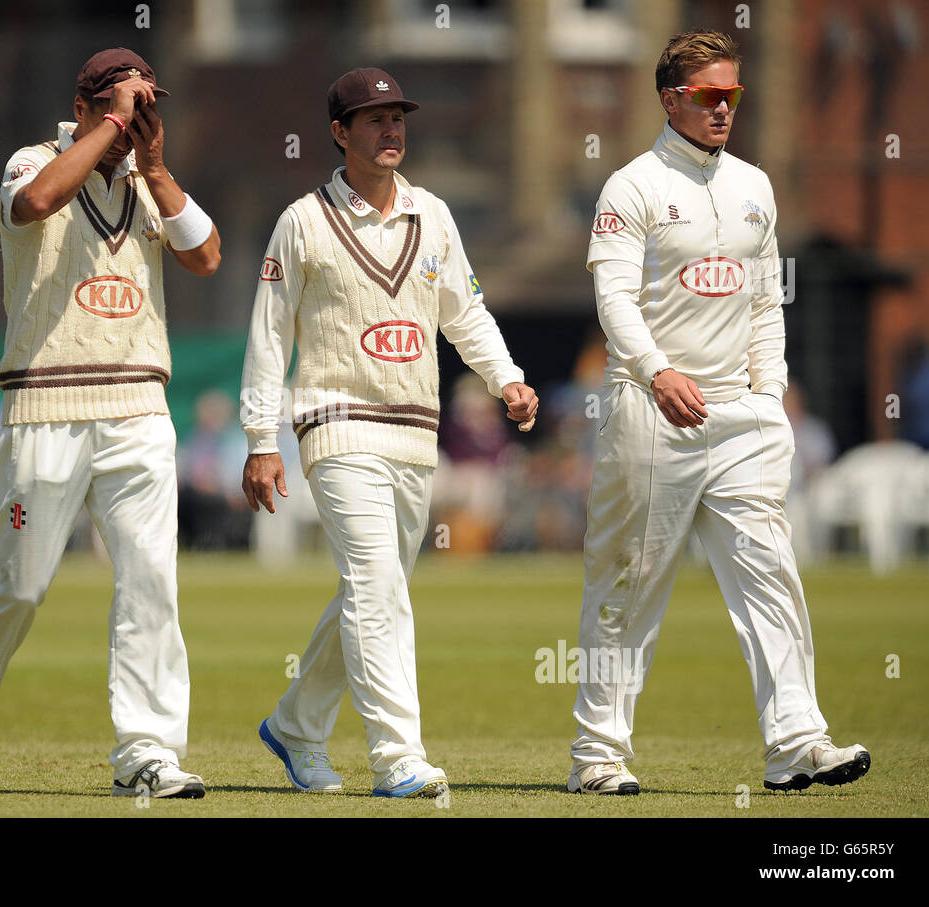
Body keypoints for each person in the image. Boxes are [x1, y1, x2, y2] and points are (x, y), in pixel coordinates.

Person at [570, 30, 869, 795]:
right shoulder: (631, 187)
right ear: (671, 100)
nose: (723, 109)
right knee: (626, 583)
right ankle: (597, 756)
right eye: (709, 96)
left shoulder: (755, 187)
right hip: (648, 411)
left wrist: (769, 394)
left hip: (741, 414)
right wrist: (655, 370)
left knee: (771, 575)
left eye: (733, 95)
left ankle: (797, 744)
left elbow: (768, 301)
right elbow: (613, 298)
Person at [241, 67, 537, 797]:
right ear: (340, 133)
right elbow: (269, 334)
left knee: (369, 593)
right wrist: (258, 437)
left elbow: (464, 311)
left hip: (414, 430)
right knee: (377, 587)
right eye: (373, 120)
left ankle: (297, 724)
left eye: (397, 117)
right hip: (335, 424)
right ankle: (398, 756)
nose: (391, 130)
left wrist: (506, 378)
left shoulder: (433, 214)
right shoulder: (302, 220)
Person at [0, 48, 220, 799]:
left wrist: (155, 164)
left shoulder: (146, 177)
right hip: (45, 409)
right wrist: (110, 129)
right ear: (84, 103)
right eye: (125, 104)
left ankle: (148, 749)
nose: (137, 120)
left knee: (151, 582)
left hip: (139, 410)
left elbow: (209, 256)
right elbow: (34, 205)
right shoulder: (32, 159)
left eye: (146, 104)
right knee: (18, 585)